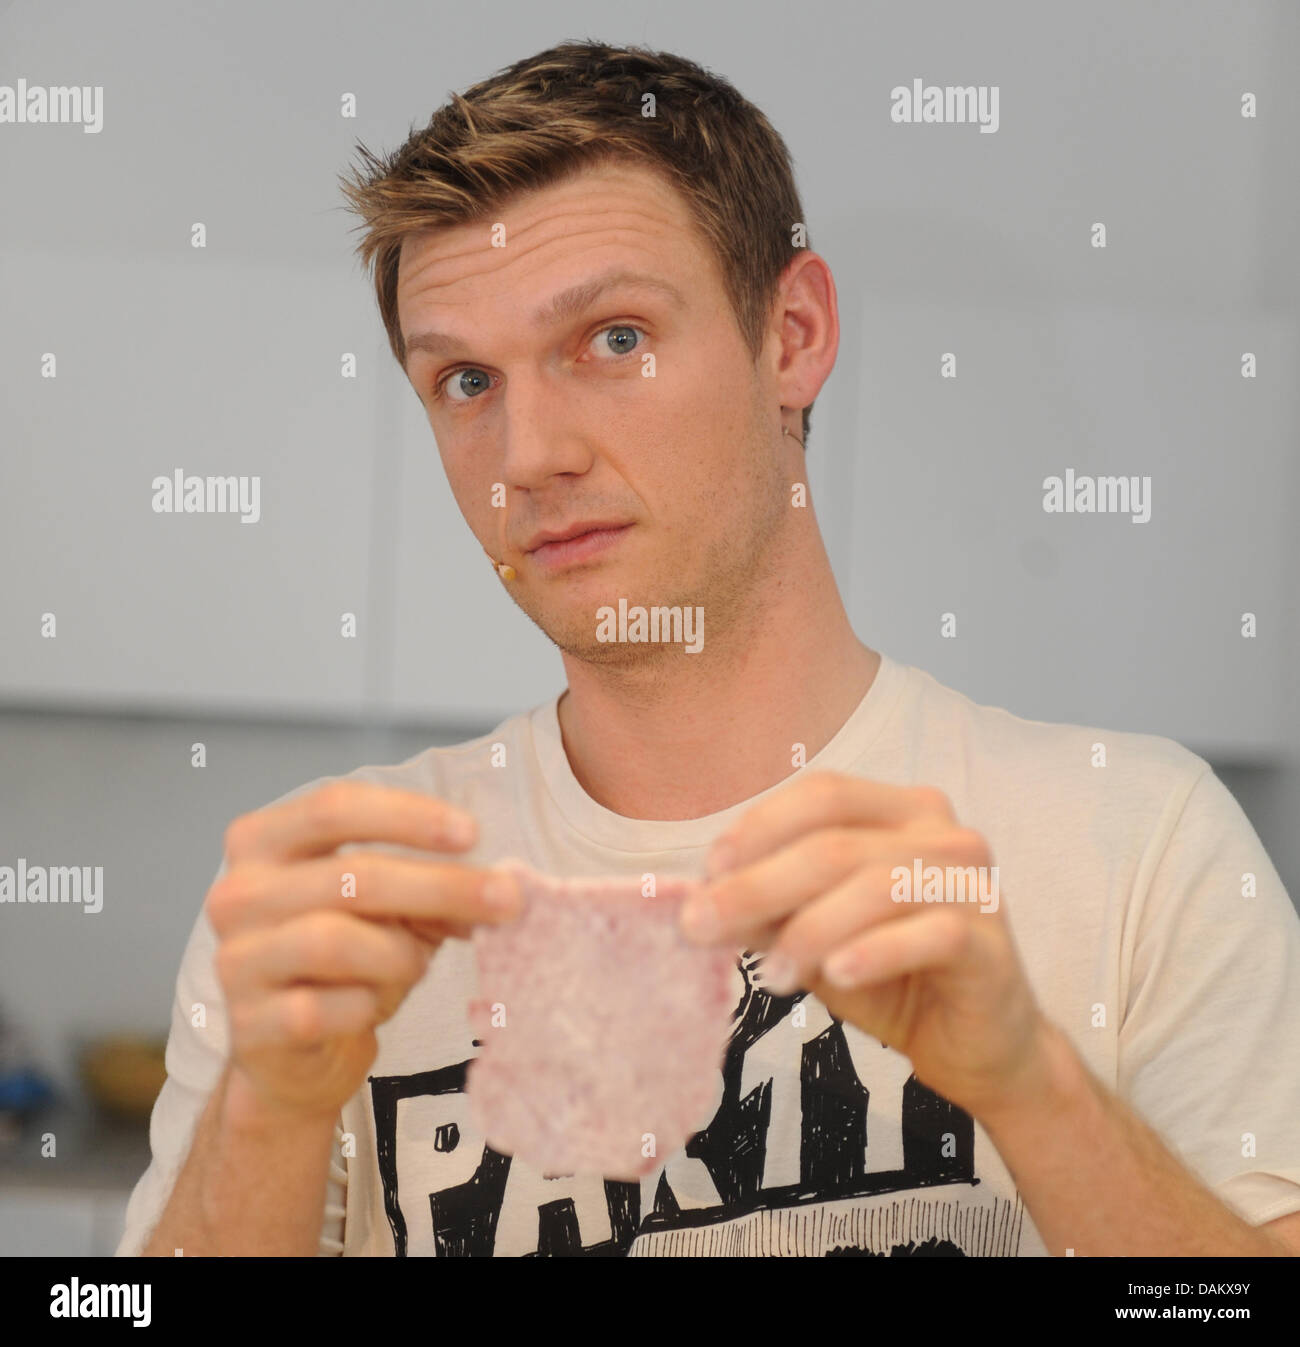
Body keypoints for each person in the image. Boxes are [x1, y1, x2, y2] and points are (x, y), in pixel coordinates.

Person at [117, 40, 1300, 1257]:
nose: (527, 454)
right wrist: (269, 1109)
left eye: (613, 338)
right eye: (467, 379)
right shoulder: (335, 905)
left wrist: (1033, 1087)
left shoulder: (1135, 848)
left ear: (791, 336)